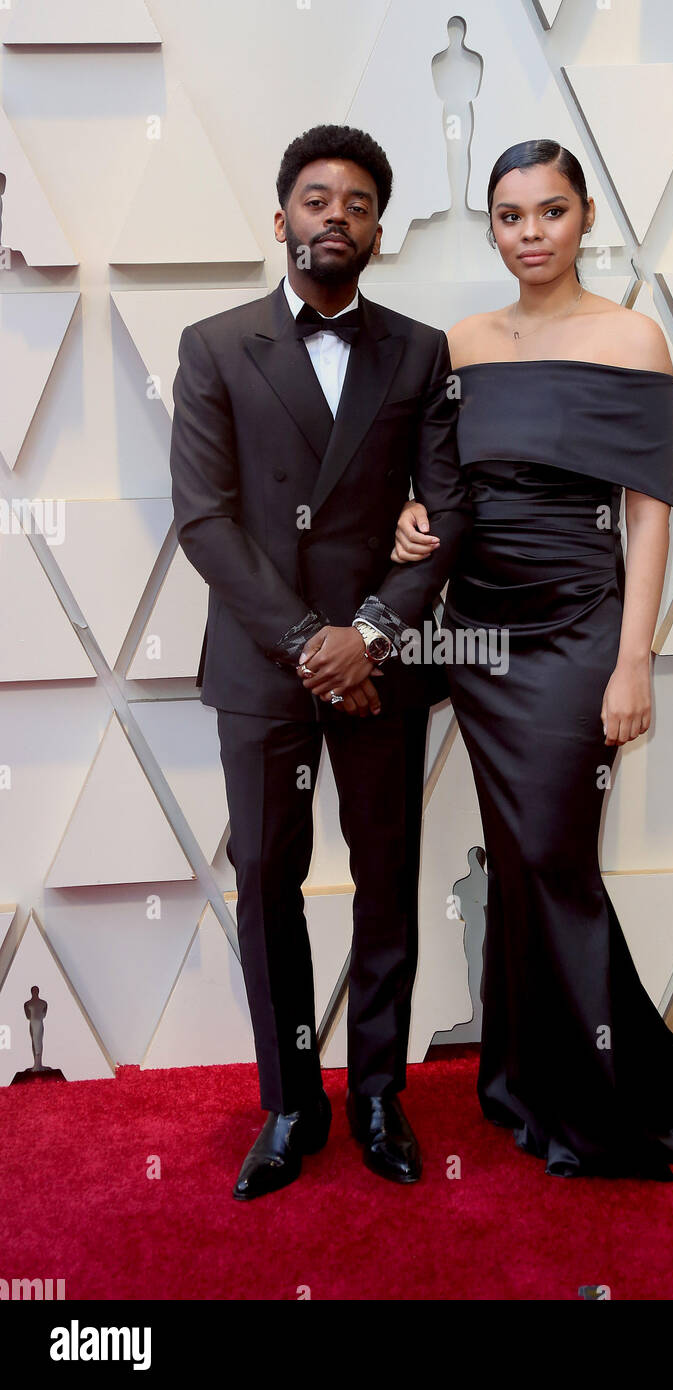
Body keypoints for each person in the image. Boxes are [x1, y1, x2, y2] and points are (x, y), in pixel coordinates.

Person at [392, 139, 673, 1179]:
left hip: (576, 631)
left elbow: (647, 514)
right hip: (479, 635)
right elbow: (442, 482)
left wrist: (631, 661)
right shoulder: (460, 341)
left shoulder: (631, 340)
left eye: (551, 211)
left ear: (584, 218)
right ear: (491, 226)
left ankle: (600, 1093)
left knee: (555, 860)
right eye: (511, 215)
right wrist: (411, 518)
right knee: (518, 865)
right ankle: (521, 1076)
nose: (531, 232)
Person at [169, 124, 471, 1197]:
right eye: (313, 196)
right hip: (267, 668)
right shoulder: (214, 345)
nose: (332, 213)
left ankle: (381, 1091)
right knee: (269, 884)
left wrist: (370, 635)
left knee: (386, 878)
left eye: (354, 201)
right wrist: (309, 642)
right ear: (282, 215)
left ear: (378, 229)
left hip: (382, 662)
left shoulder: (420, 349)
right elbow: (203, 520)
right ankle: (294, 1101)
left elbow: (444, 513)